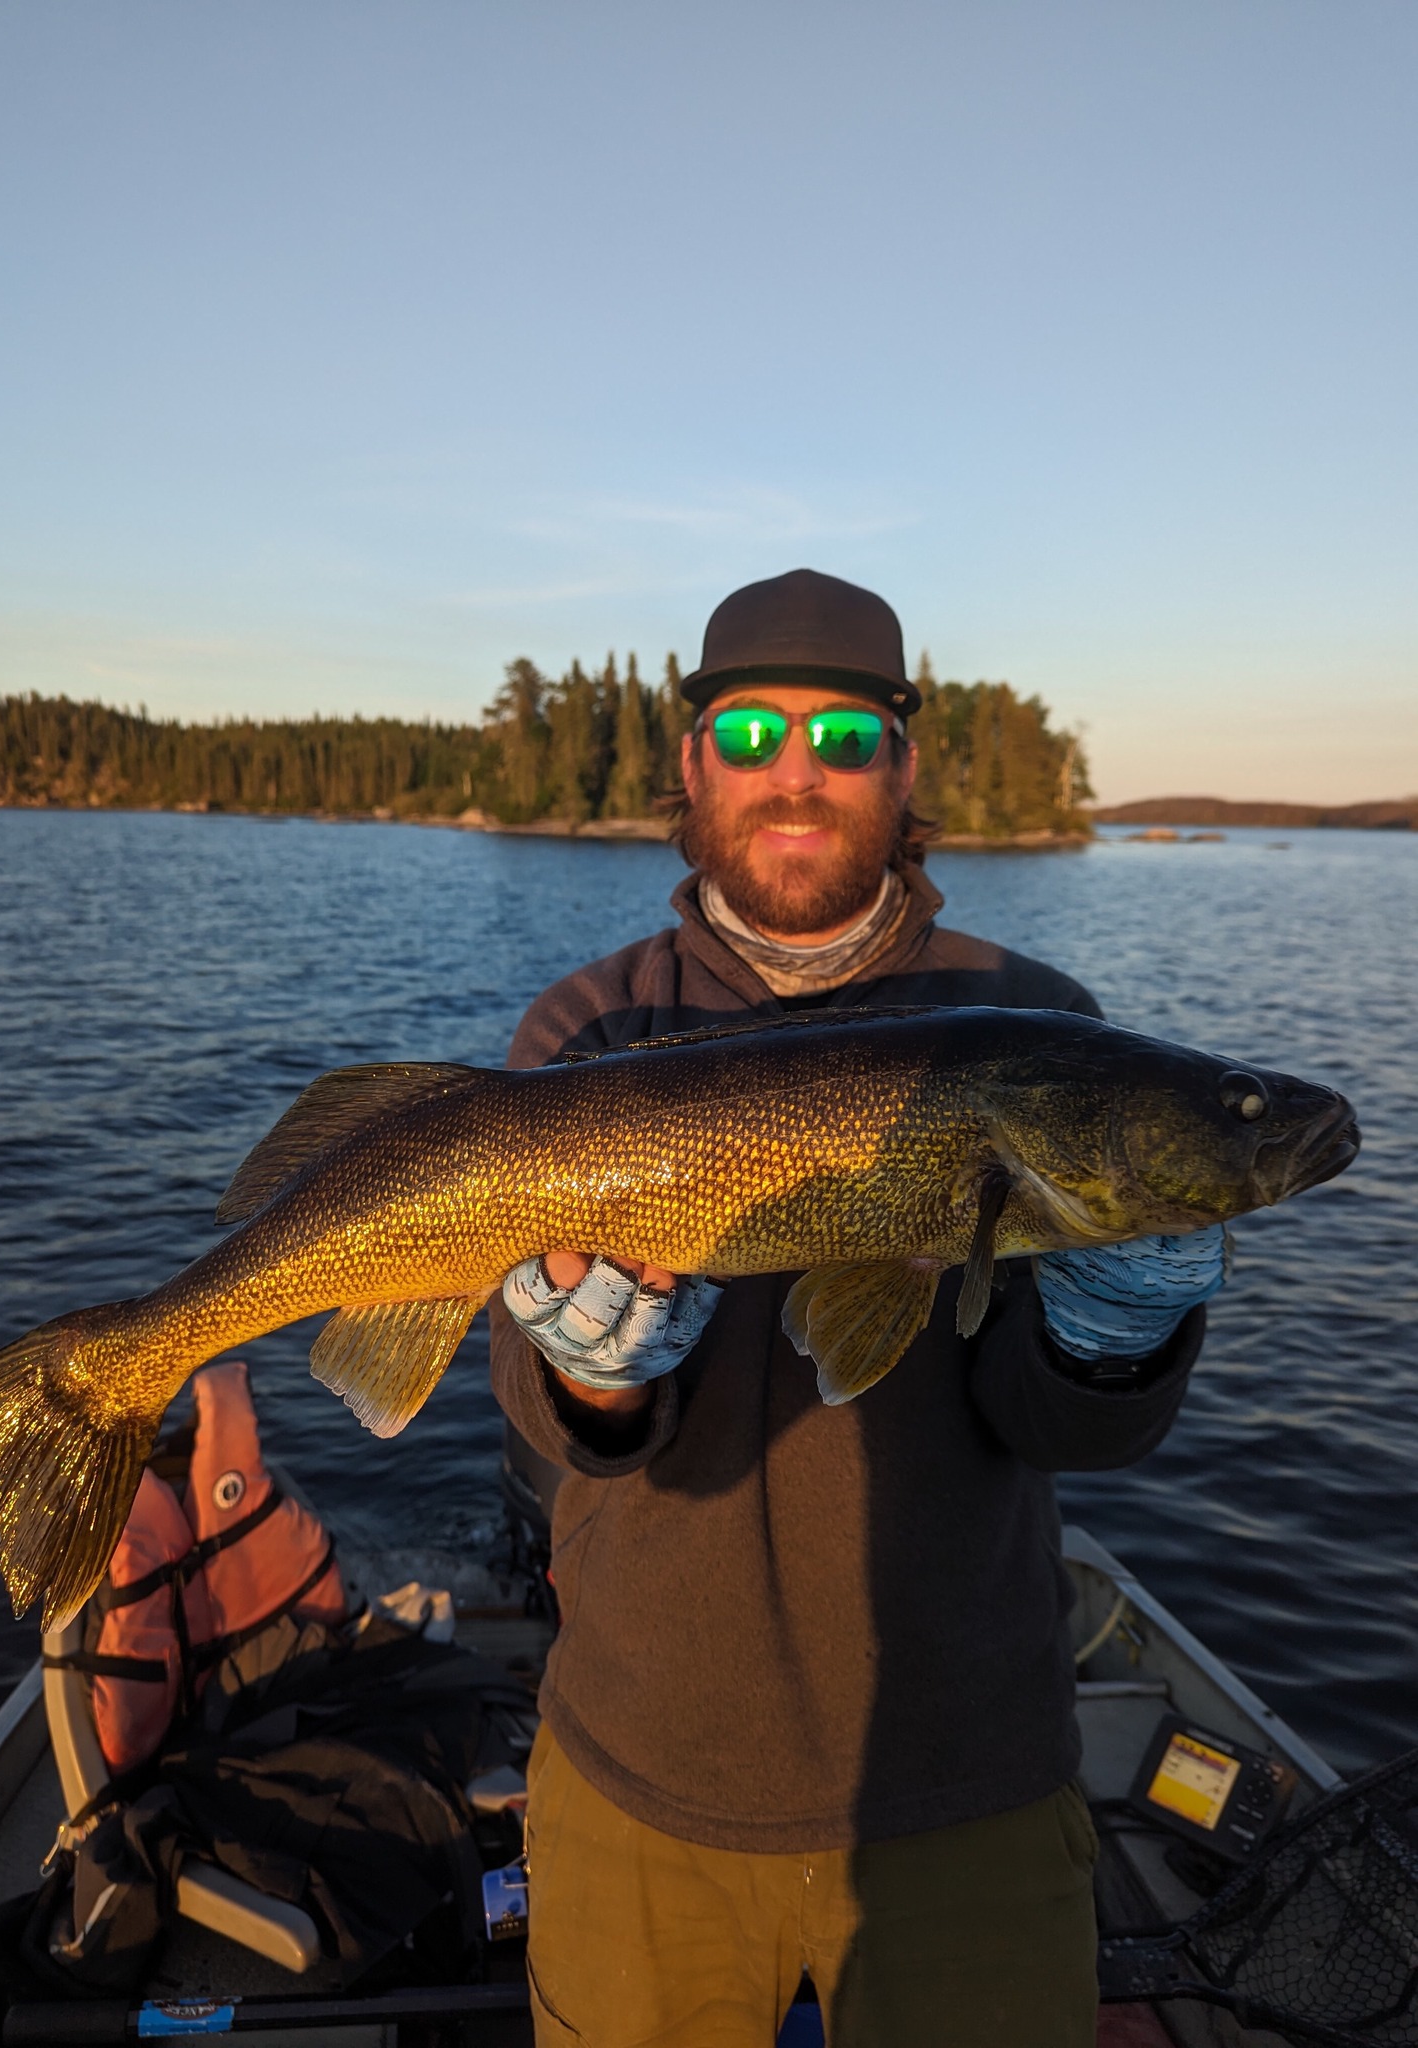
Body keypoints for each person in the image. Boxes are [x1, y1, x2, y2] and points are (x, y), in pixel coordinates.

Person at [489, 569, 1227, 2048]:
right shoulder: (589, 1028)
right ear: (690, 763)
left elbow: (1055, 1428)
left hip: (965, 1787)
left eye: (842, 735)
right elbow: (554, 1427)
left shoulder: (1042, 1022)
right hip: (642, 1778)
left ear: (903, 766)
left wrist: (1116, 1335)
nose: (795, 776)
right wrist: (593, 1381)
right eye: (751, 732)